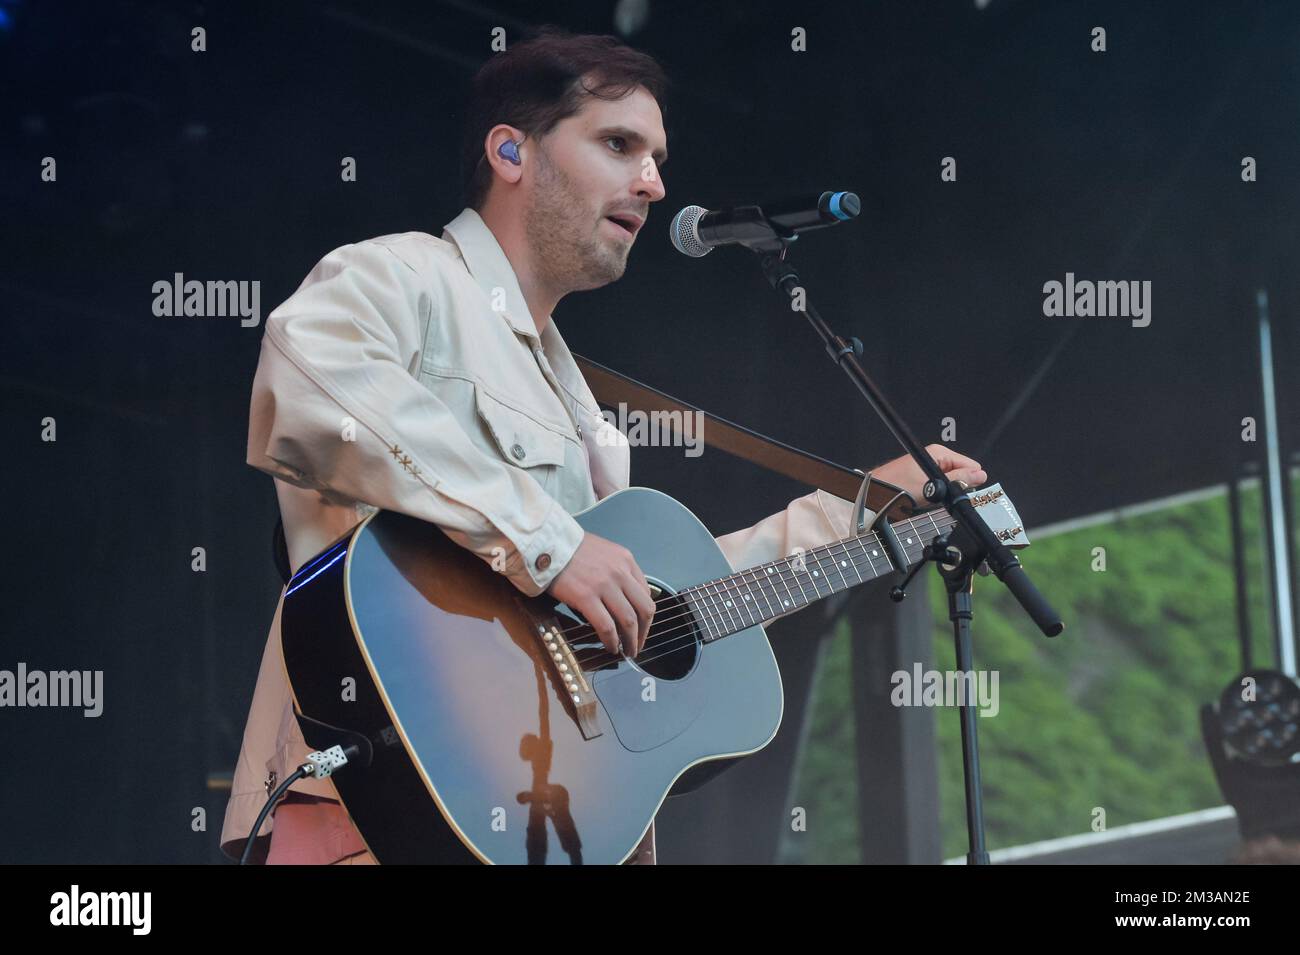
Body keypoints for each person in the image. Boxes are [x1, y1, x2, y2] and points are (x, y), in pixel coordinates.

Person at [219, 26, 987, 866]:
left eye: (658, 156)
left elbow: (642, 602)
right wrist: (553, 545)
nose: (653, 183)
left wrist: (858, 513)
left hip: (547, 828)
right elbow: (309, 383)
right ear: (510, 151)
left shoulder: (581, 405)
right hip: (371, 816)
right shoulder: (406, 278)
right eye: (619, 144)